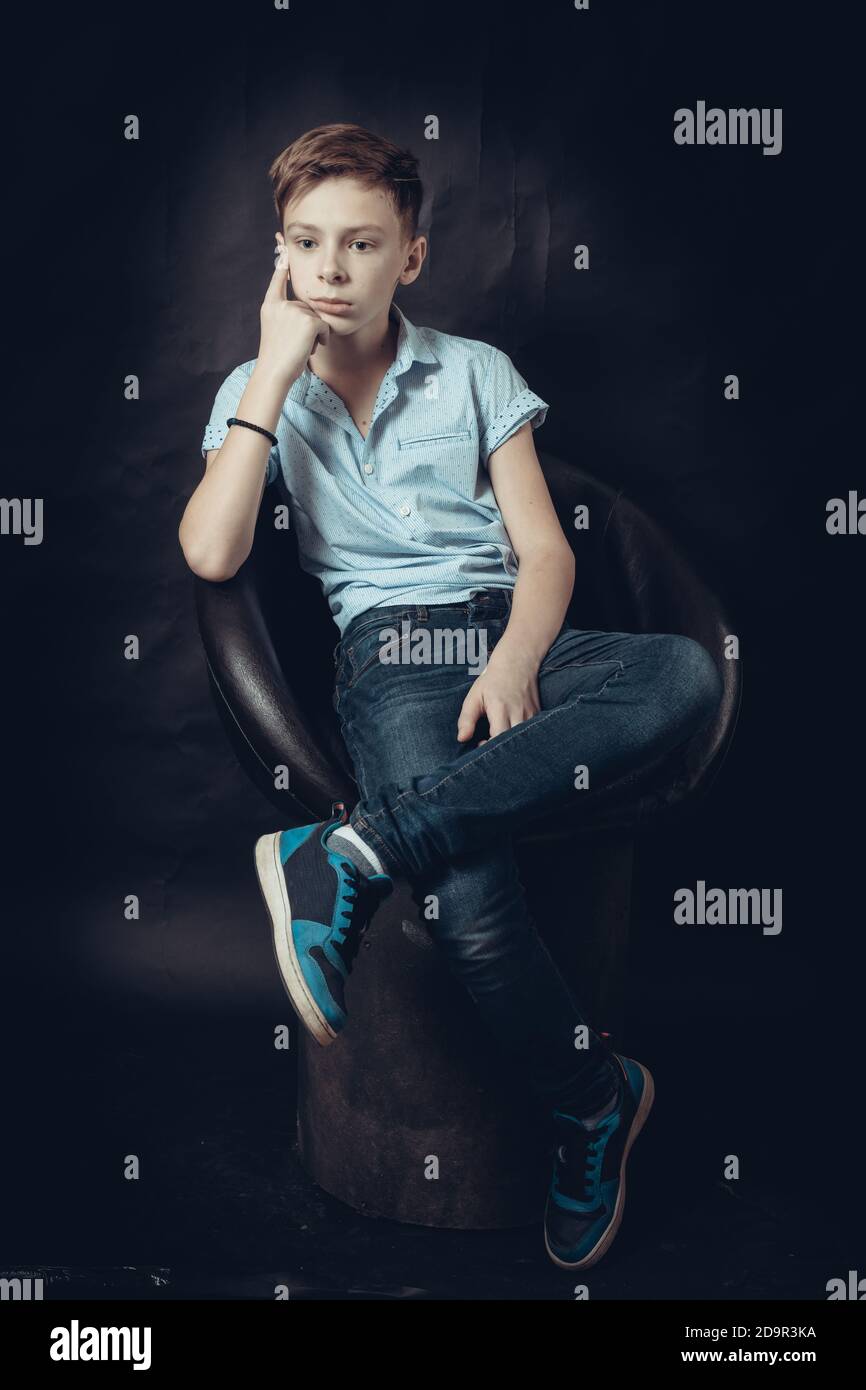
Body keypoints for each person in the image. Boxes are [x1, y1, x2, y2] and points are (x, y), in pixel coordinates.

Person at [178, 121, 724, 1271]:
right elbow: (213, 553)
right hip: (389, 658)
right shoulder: (256, 387)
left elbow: (546, 553)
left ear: (410, 257)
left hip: (514, 632)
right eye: (306, 243)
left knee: (681, 669)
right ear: (279, 255)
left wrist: (519, 659)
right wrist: (272, 372)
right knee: (471, 909)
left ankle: (358, 851)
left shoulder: (474, 372)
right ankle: (591, 1100)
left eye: (361, 243)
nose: (331, 269)